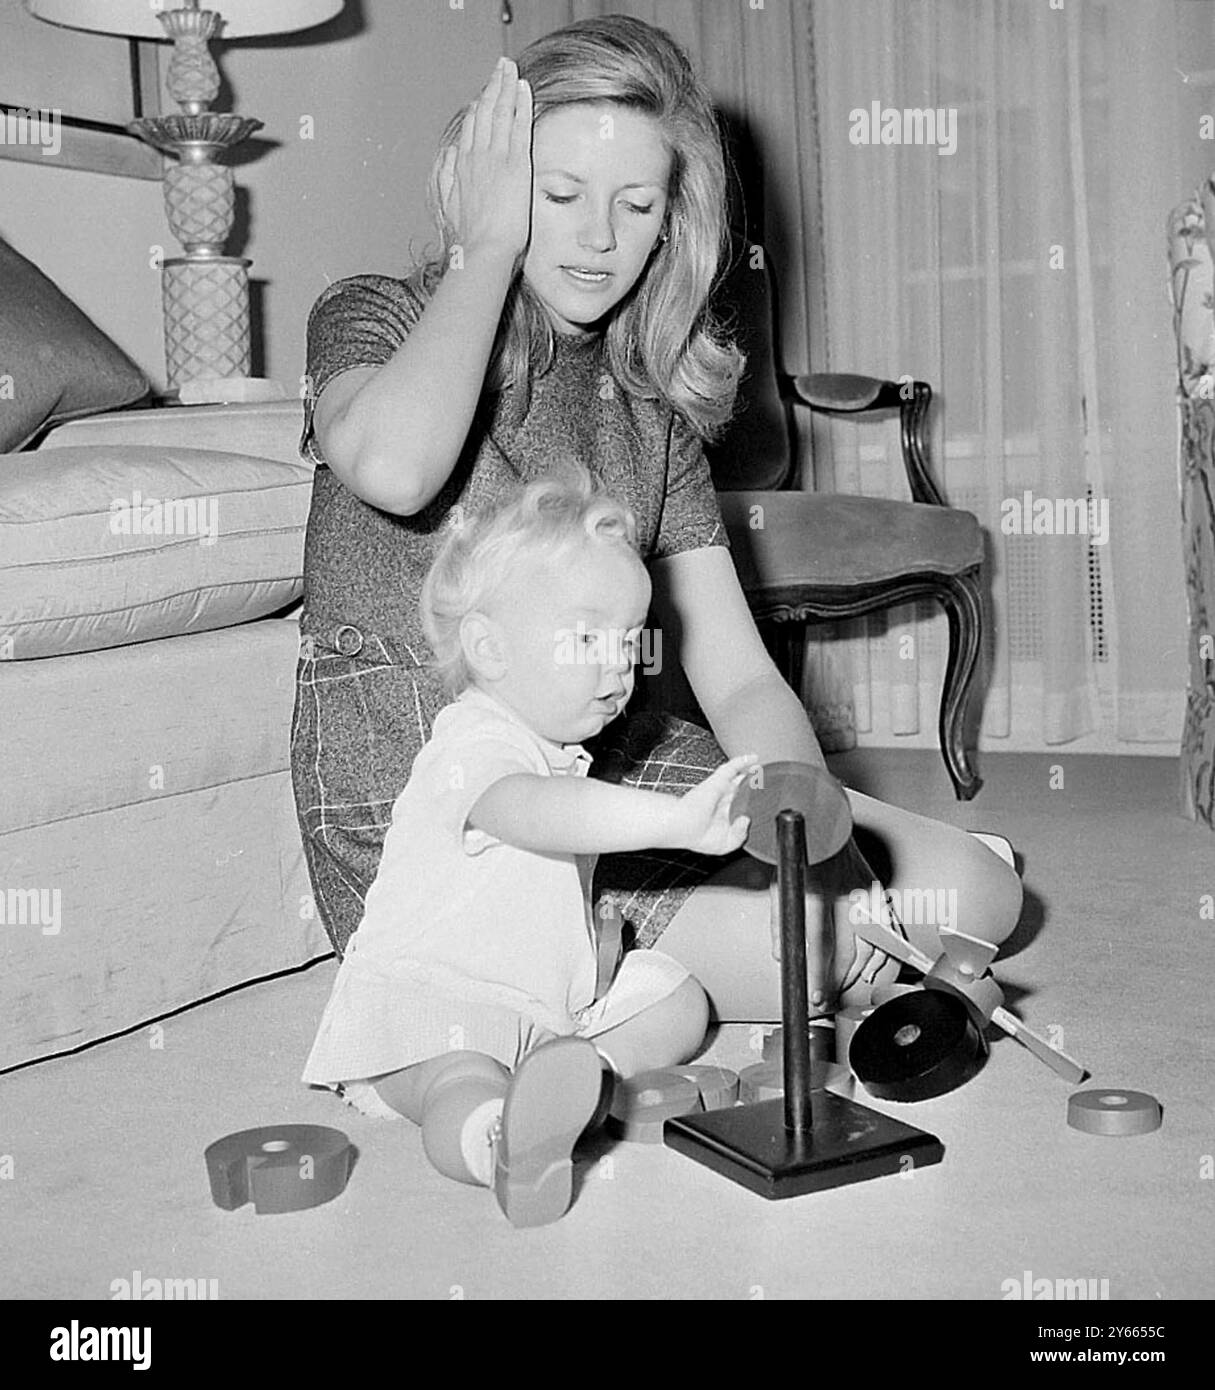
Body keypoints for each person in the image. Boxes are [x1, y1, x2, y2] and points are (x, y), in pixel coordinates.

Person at [291, 15, 1022, 1037]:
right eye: (558, 197)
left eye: (636, 206)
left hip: (610, 762)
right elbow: (397, 470)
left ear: (672, 221)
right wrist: (487, 248)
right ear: (495, 185)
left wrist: (807, 824)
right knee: (811, 957)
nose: (599, 238)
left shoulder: (647, 405)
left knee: (978, 896)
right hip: (433, 798)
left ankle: (848, 947)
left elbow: (737, 676)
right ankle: (740, 971)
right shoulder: (372, 313)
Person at [304, 469, 758, 1226]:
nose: (620, 666)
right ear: (488, 647)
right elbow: (541, 814)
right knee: (461, 1078)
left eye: (628, 641)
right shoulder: (474, 743)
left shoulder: (555, 752)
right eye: (588, 637)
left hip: (546, 1013)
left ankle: (580, 1082)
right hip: (434, 1008)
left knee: (676, 995)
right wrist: (674, 821)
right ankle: (496, 1143)